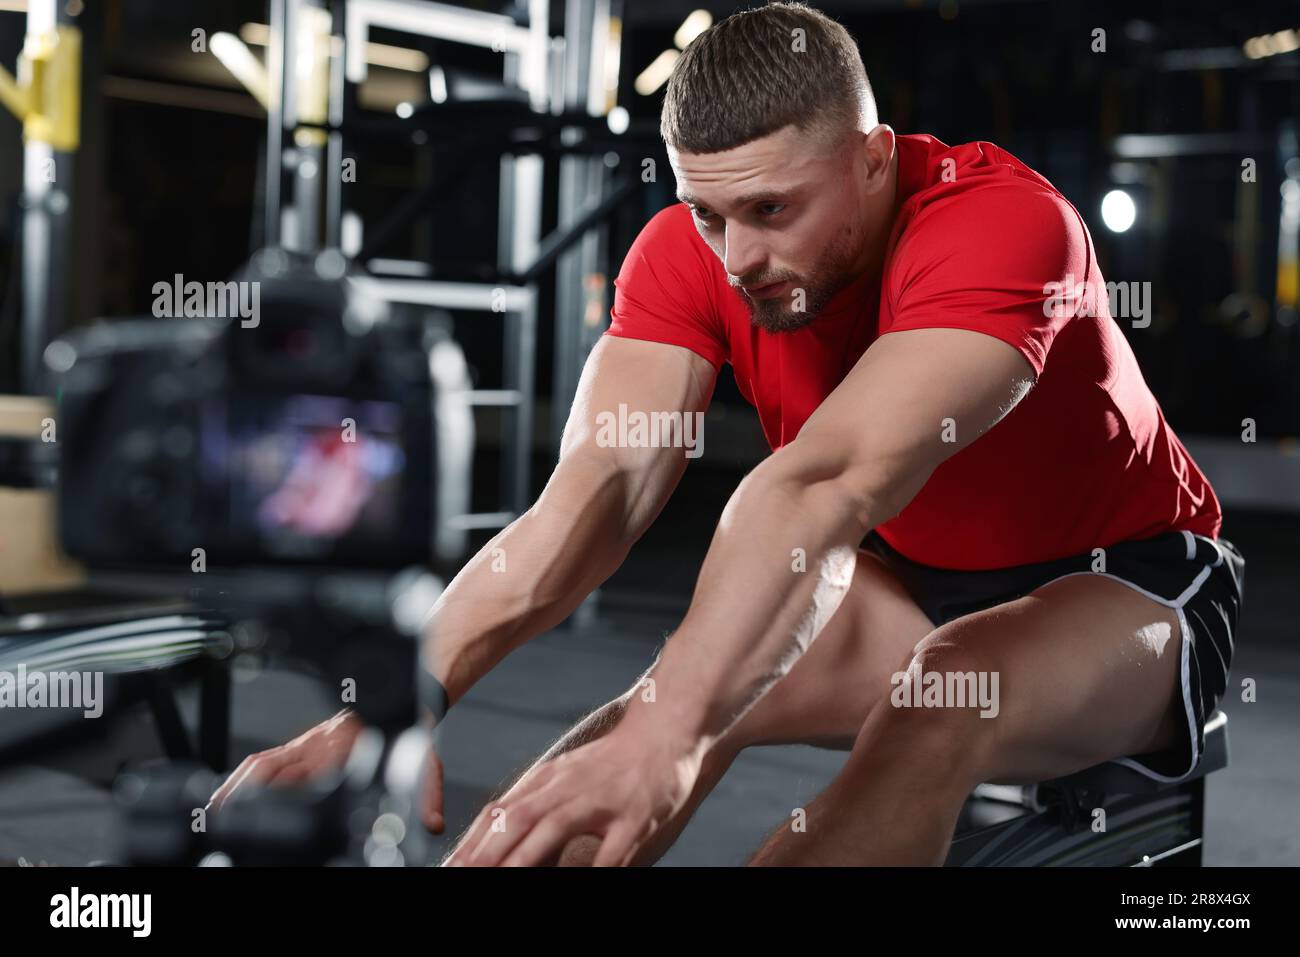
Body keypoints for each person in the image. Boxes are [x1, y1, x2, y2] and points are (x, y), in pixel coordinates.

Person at [210, 2, 1244, 866]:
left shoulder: (999, 226)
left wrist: (675, 732)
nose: (738, 254)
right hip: (906, 578)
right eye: (709, 214)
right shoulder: (687, 256)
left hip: (1127, 586)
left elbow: (826, 485)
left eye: (771, 207)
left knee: (939, 700)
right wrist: (396, 701)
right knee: (678, 689)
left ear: (874, 162)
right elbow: (594, 496)